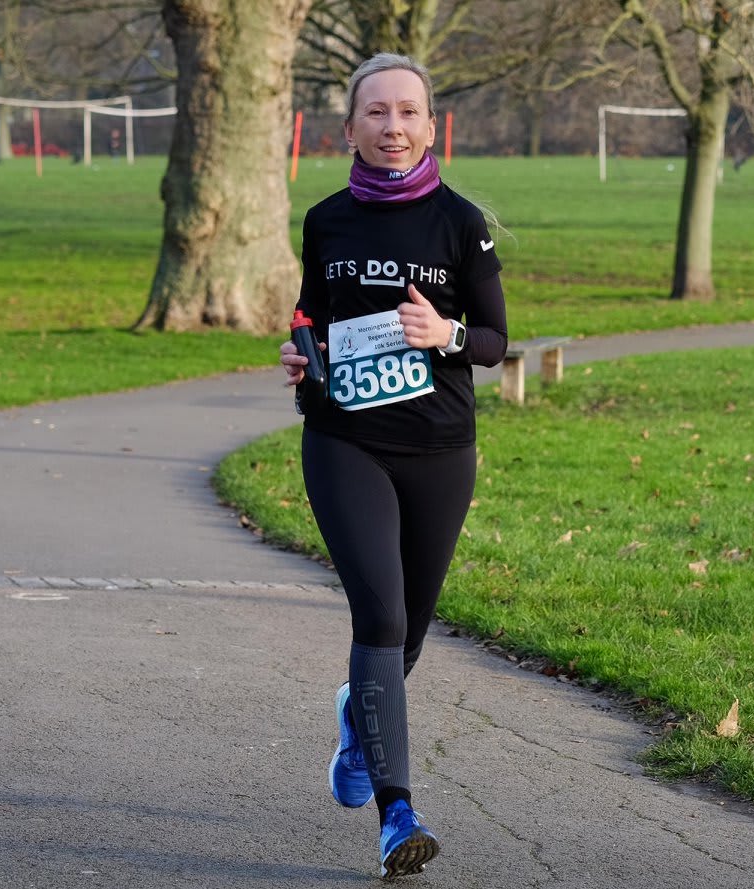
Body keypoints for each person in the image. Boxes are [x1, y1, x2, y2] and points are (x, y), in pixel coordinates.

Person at [278, 52, 507, 879]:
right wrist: (302, 355)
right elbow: (313, 314)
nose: (393, 127)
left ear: (430, 122)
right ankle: (396, 812)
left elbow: (494, 341)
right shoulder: (326, 219)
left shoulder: (461, 221)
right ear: (350, 126)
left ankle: (356, 715)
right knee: (376, 619)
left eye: (407, 111)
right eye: (376, 113)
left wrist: (440, 333)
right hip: (345, 440)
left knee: (405, 636)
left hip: (441, 449)